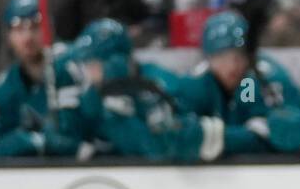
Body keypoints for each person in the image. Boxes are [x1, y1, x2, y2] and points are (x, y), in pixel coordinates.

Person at [71, 18, 225, 162]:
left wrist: (122, 122)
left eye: (94, 65)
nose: (90, 73)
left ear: (114, 63)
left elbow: (161, 148)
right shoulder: (96, 92)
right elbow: (79, 133)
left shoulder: (155, 85)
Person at [176, 10, 300, 157]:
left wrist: (213, 135)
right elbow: (180, 133)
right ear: (208, 58)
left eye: (238, 56)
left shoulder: (254, 80)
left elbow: (286, 134)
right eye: (221, 57)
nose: (231, 66)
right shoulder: (197, 82)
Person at [0, 0, 88, 156]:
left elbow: (78, 134)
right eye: (19, 29)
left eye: (35, 27)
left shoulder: (71, 66)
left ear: (49, 29)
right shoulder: (5, 86)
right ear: (9, 36)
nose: (27, 38)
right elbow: (5, 144)